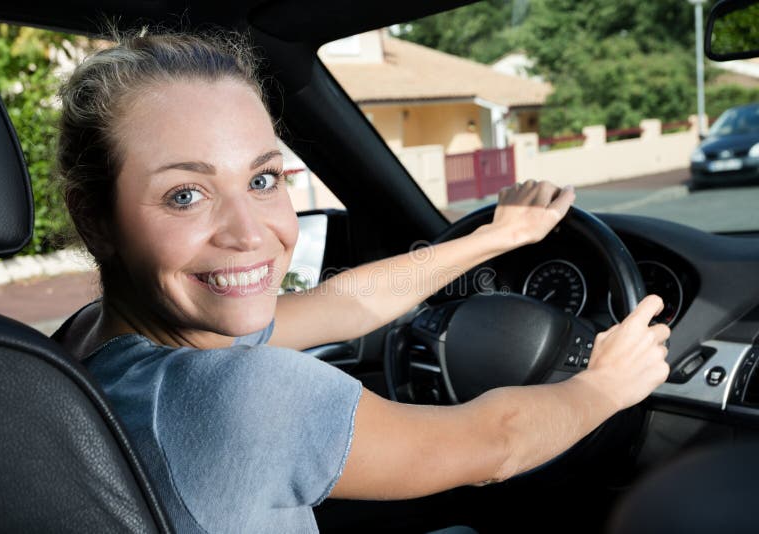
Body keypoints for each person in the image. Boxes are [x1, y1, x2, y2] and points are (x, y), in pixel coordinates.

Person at [55, 30, 670, 533]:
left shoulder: (83, 343)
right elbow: (497, 443)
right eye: (185, 195)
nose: (249, 234)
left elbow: (341, 303)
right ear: (94, 220)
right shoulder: (237, 396)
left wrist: (495, 238)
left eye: (263, 180)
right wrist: (605, 385)